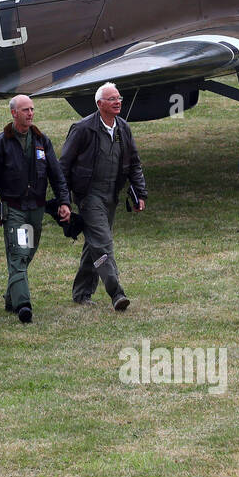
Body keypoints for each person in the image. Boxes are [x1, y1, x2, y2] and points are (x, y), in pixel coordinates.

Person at [0, 95, 71, 323]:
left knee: (26, 254)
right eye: (25, 110)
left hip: (36, 209)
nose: (30, 113)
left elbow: (57, 175)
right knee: (19, 254)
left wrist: (64, 202)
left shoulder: (43, 141)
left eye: (32, 109)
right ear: (14, 113)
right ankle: (23, 306)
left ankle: (11, 297)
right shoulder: (0, 143)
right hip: (14, 210)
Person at [58, 82, 146, 311]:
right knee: (104, 243)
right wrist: (64, 200)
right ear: (99, 104)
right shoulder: (83, 129)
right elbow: (63, 166)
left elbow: (134, 163)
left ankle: (81, 293)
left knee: (94, 244)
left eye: (119, 98)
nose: (118, 102)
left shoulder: (123, 128)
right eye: (112, 99)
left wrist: (140, 194)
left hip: (111, 196)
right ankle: (117, 293)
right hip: (89, 196)